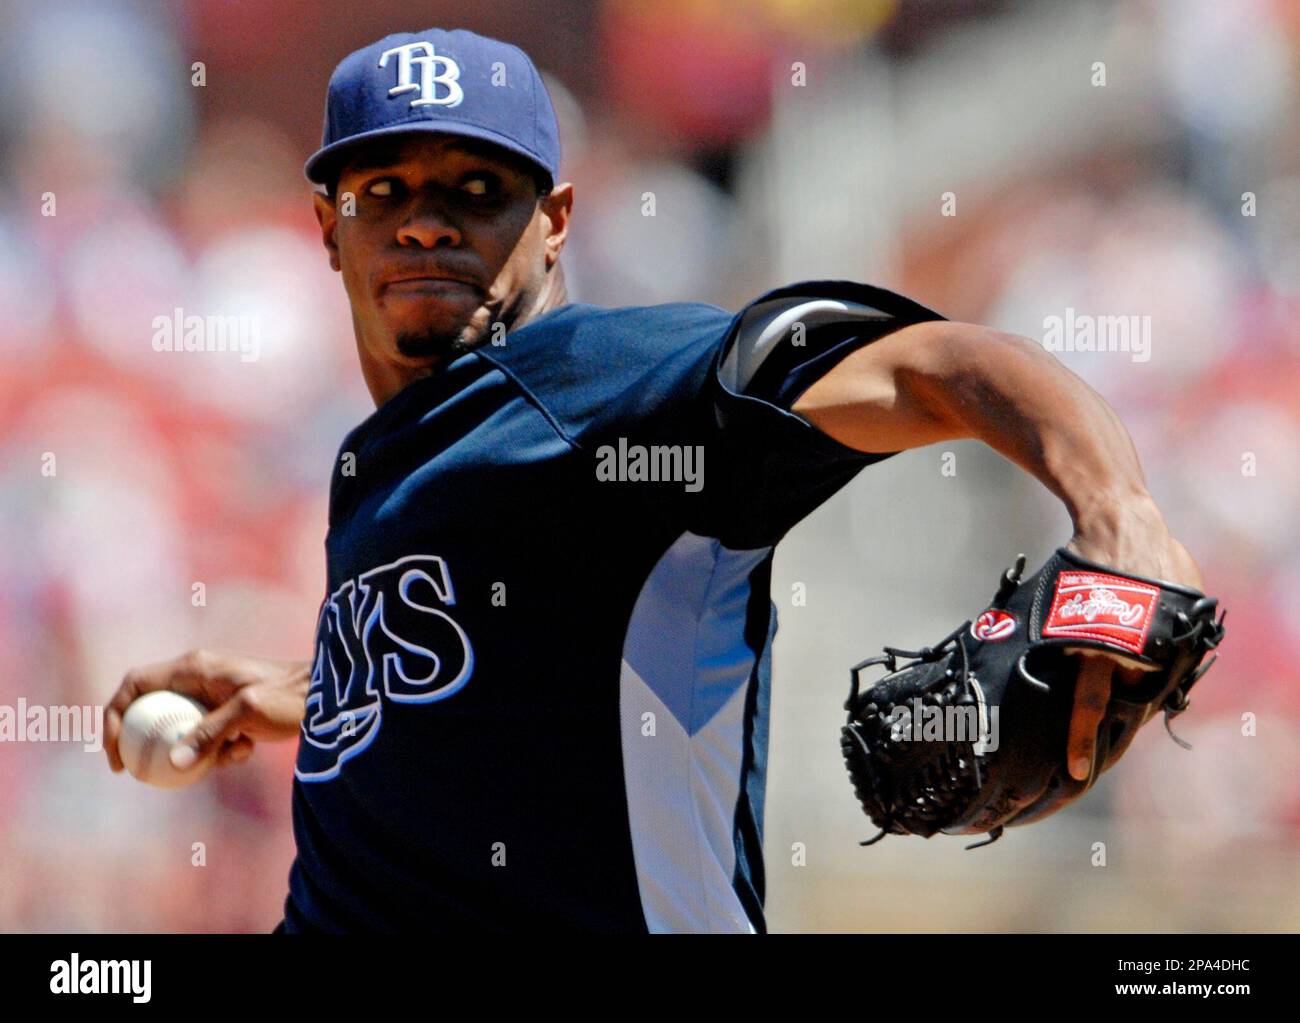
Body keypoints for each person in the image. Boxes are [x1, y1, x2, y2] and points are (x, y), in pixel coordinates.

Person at [103, 28, 1204, 933]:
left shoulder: (614, 387)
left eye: (476, 188)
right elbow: (527, 646)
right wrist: (326, 695)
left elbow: (935, 365)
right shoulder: (372, 460)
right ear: (326, 231)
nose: (425, 218)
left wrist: (1116, 512)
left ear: (556, 222)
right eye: (381, 188)